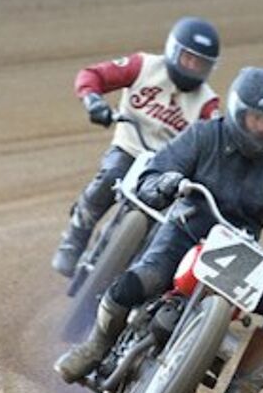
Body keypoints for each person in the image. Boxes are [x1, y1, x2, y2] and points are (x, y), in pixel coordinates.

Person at [55, 66, 263, 393]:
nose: (262, 129)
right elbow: (156, 171)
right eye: (255, 118)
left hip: (240, 254)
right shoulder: (203, 136)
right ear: (236, 111)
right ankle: (96, 345)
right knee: (138, 281)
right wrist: (165, 183)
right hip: (186, 231)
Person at [51, 16, 223, 277]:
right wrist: (93, 101)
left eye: (200, 64)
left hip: (168, 169)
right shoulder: (144, 66)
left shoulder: (208, 103)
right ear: (173, 51)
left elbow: (216, 144)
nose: (192, 68)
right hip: (130, 146)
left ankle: (127, 274)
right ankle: (74, 238)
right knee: (108, 178)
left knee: (163, 225)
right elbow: (92, 74)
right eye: (188, 58)